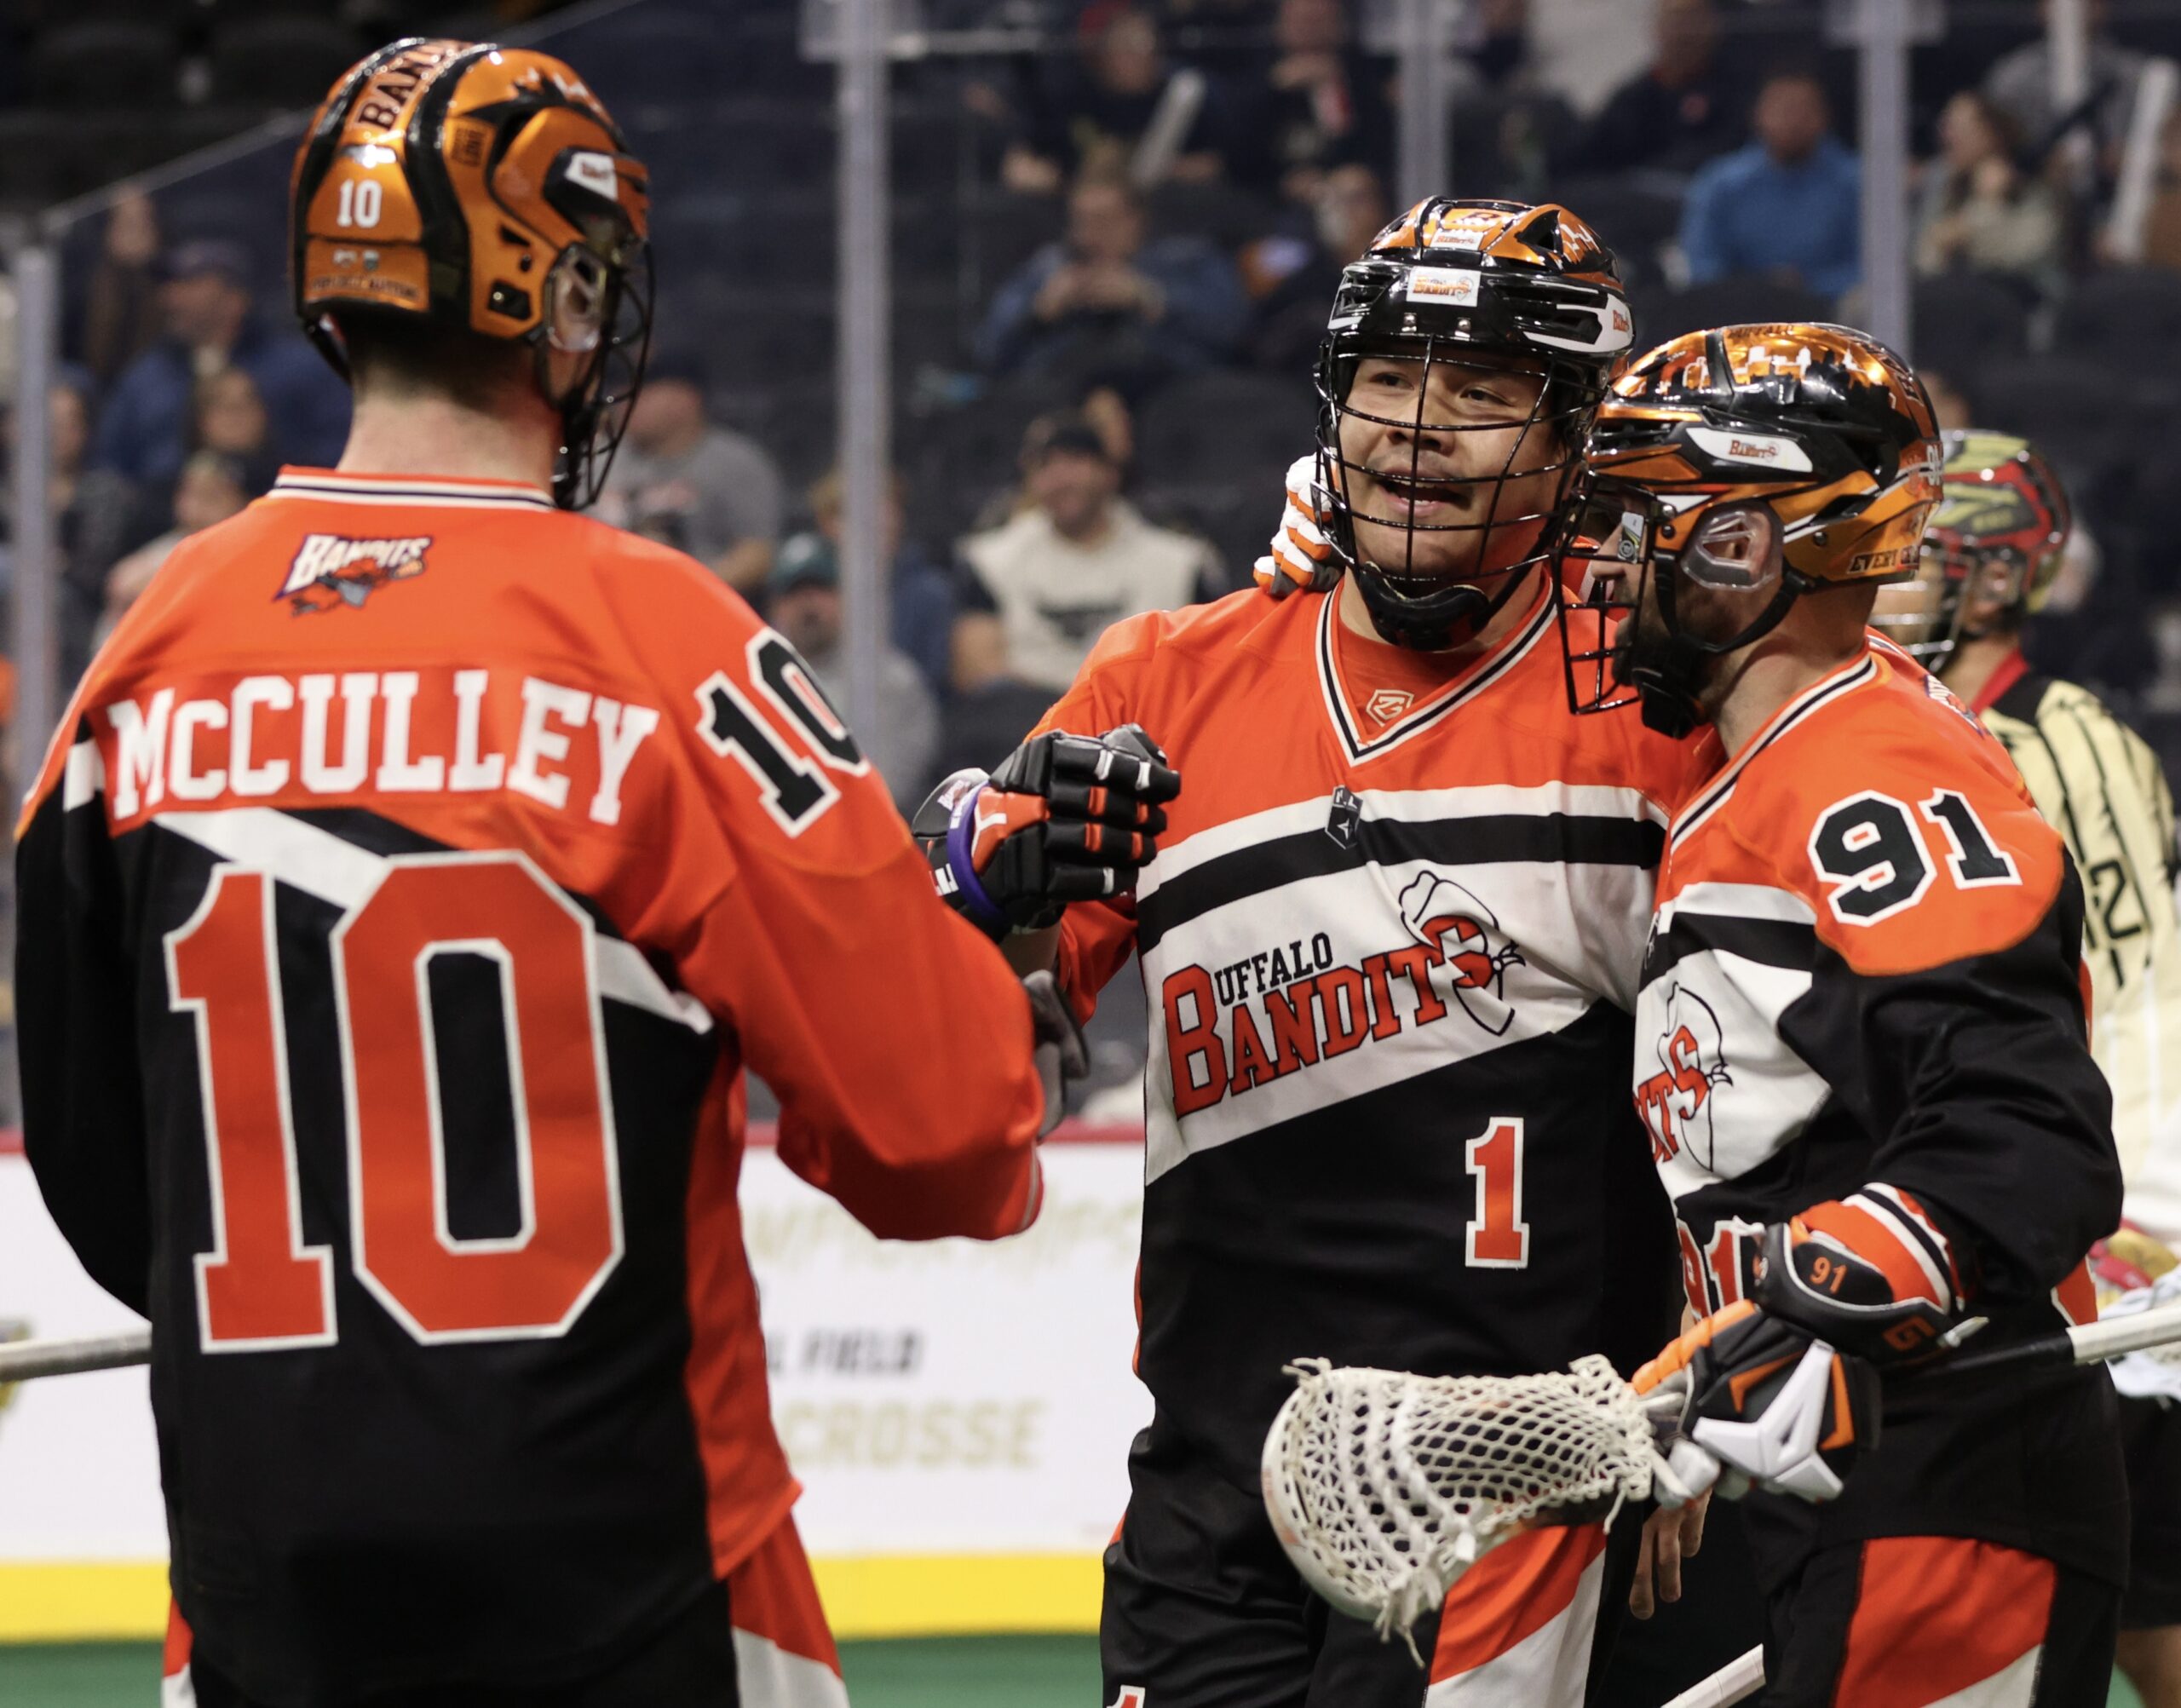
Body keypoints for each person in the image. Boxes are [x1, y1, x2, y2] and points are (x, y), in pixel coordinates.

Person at [15, 38, 1108, 1708]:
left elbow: (102, 1172)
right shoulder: (660, 642)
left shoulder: (148, 647)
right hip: (635, 1592)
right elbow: (939, 1138)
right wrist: (984, 964)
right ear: (566, 298)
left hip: (253, 1618)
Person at [924, 197, 1696, 1705]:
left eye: (1481, 390)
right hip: (1213, 1492)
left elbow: (1754, 1082)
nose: (1418, 426)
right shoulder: (1164, 681)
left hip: (1526, 1491)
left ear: (1573, 439)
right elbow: (951, 1031)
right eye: (1391, 378)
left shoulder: (1652, 709)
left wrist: (1698, 1390)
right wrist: (970, 868)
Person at [1566, 325, 2126, 1705]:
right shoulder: (1761, 764)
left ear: (1742, 548)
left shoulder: (1868, 768)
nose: (1604, 567)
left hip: (1953, 1468)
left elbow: (2026, 1141)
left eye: (1638, 521)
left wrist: (1799, 1319)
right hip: (1865, 1475)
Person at [1872, 430, 2181, 1708]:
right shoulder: (1911, 722)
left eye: (1914, 560)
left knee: (2134, 1596)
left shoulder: (2061, 732)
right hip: (2025, 1189)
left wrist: (2137, 1201)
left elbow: (2139, 980)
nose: (1882, 584)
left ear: (1996, 579)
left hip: (2115, 1213)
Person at [953, 409, 1222, 697]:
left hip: (1147, 714)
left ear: (1110, 473)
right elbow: (978, 674)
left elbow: (1212, 672)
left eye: (1074, 461)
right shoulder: (990, 560)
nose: (1061, 478)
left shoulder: (1181, 563)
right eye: (1045, 465)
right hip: (1028, 717)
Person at [90, 237, 348, 489]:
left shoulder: (302, 368)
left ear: (235, 298)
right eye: (169, 285)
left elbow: (338, 448)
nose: (171, 297)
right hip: (163, 513)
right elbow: (111, 464)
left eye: (189, 283)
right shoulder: (146, 378)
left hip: (279, 504)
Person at [975, 171, 1249, 383]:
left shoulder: (1186, 259)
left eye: (1103, 220)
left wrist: (1151, 298)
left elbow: (1234, 330)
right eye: (1081, 221)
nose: (1089, 235)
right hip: (1064, 392)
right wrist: (1038, 314)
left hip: (1169, 395)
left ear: (1136, 219)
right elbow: (987, 349)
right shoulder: (1048, 269)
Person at [765, 531, 940, 812]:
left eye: (821, 589)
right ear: (776, 608)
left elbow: (897, 781)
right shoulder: (759, 683)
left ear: (847, 599)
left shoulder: (891, 679)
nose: (808, 604)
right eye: (794, 593)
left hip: (873, 823)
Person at [596, 353, 784, 592]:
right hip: (605, 598)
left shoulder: (733, 462)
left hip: (698, 603)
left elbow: (758, 554)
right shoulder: (598, 462)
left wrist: (682, 590)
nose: (624, 405)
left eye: (641, 395)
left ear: (686, 399)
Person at [1002, 2, 1227, 193]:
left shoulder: (1184, 95)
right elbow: (1023, 159)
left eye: (1147, 39)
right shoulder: (1069, 99)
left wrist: (1177, 171)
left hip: (1163, 214)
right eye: (1126, 42)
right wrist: (1042, 177)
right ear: (1098, 53)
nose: (1143, 51)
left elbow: (1219, 163)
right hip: (1078, 211)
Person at [1679, 72, 1860, 298]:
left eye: (1804, 110)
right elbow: (1703, 263)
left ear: (1825, 117)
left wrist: (1809, 285)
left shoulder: (1856, 182)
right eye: (1782, 109)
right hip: (1739, 307)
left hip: (1834, 308)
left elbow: (1873, 266)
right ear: (1758, 115)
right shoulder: (1721, 183)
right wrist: (1755, 289)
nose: (1793, 121)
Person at [806, 464, 958, 699]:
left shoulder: (929, 593)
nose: (880, 522)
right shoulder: (803, 591)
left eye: (887, 508)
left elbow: (931, 683)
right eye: (858, 513)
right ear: (826, 524)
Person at [1223, 0, 1395, 205]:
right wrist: (1273, 89)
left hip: (1340, 192)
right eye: (1301, 21)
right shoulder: (1255, 74)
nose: (1310, 32)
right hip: (1266, 196)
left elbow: (1371, 148)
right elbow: (1237, 155)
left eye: (1319, 21)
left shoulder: (1360, 77)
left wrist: (1336, 89)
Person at [1570, 0, 1745, 178]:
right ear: (1657, 28)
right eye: (1676, 21)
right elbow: (1594, 151)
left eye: (1692, 19)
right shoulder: (1634, 97)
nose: (1684, 32)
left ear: (1713, 25)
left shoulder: (1737, 89)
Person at [1913, 90, 2063, 286]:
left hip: (2019, 294)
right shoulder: (1946, 184)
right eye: (1946, 126)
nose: (1949, 137)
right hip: (1954, 293)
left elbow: (2027, 255)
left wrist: (1984, 208)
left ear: (1992, 133)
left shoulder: (2031, 183)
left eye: (1961, 129)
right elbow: (1924, 261)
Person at [99, 447, 250, 639]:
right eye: (191, 494)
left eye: (212, 497)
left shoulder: (253, 557)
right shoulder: (151, 562)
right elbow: (123, 587)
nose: (197, 508)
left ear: (243, 501)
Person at [1984, 0, 2144, 164]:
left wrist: (2133, 156)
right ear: (2042, 7)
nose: (2073, 7)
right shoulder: (2011, 79)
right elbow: (1996, 145)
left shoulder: (2136, 76)